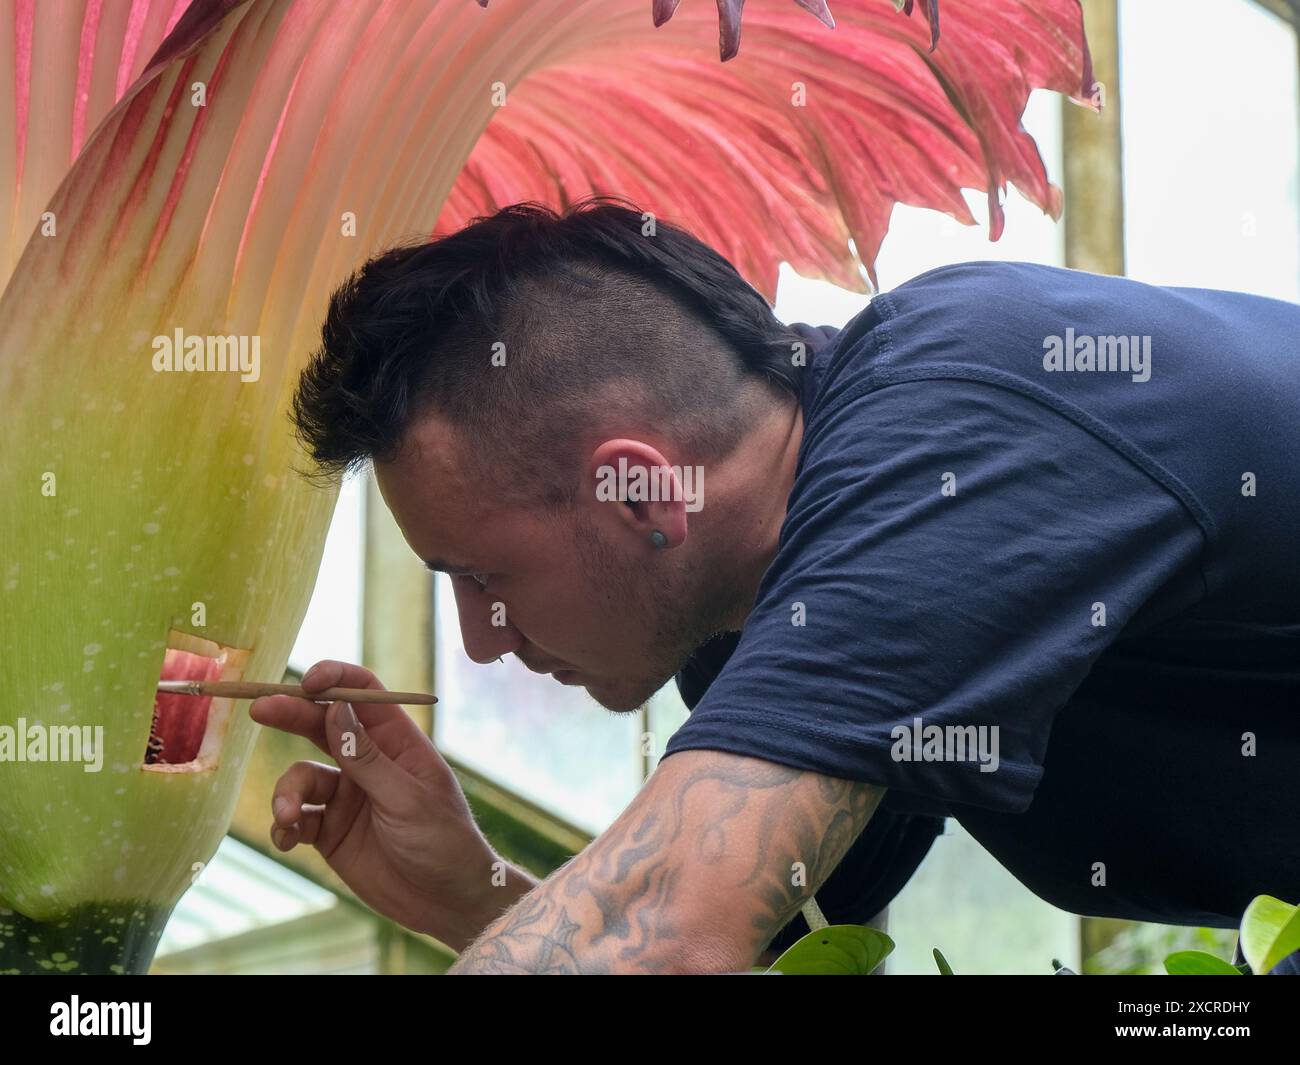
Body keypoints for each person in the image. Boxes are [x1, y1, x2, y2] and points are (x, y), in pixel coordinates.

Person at [251, 195, 1300, 974]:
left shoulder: (950, 426)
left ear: (644, 497)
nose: (480, 640)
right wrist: (473, 895)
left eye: (481, 577)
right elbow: (725, 950)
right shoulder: (763, 613)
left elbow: (670, 933)